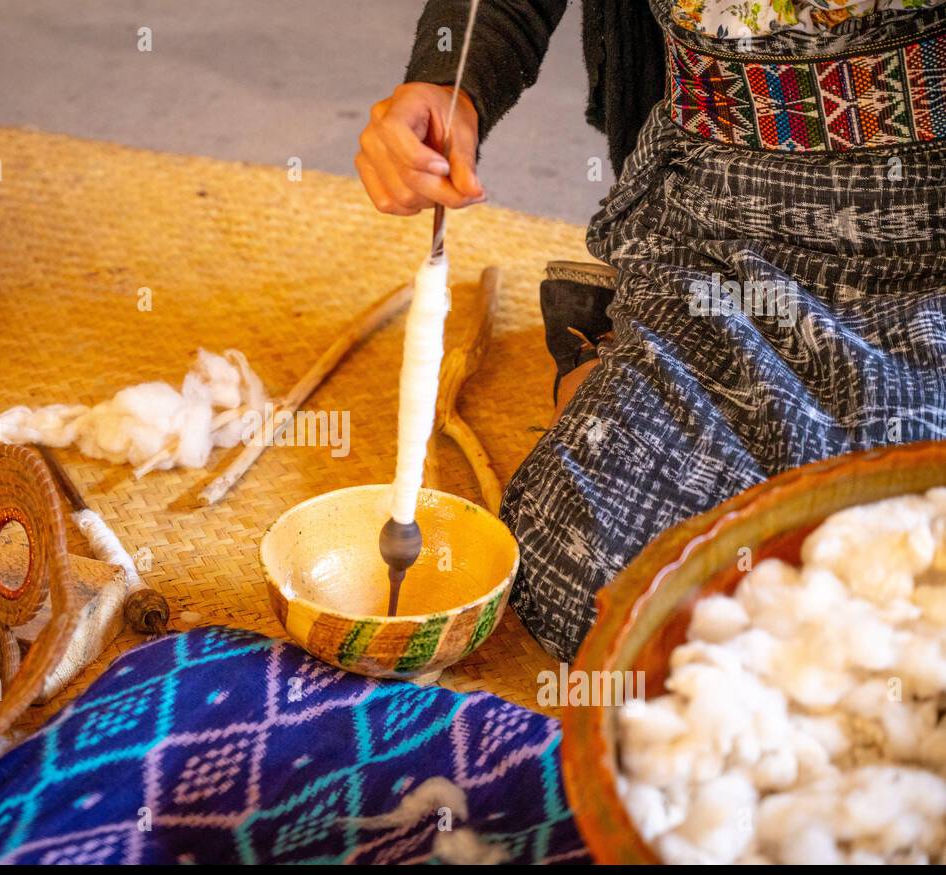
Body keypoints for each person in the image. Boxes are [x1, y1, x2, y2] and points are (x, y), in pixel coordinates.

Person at [357, 0, 946, 660]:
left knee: (908, 570)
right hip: (720, 216)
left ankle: (606, 350)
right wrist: (451, 84)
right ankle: (624, 345)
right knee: (586, 567)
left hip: (926, 233)